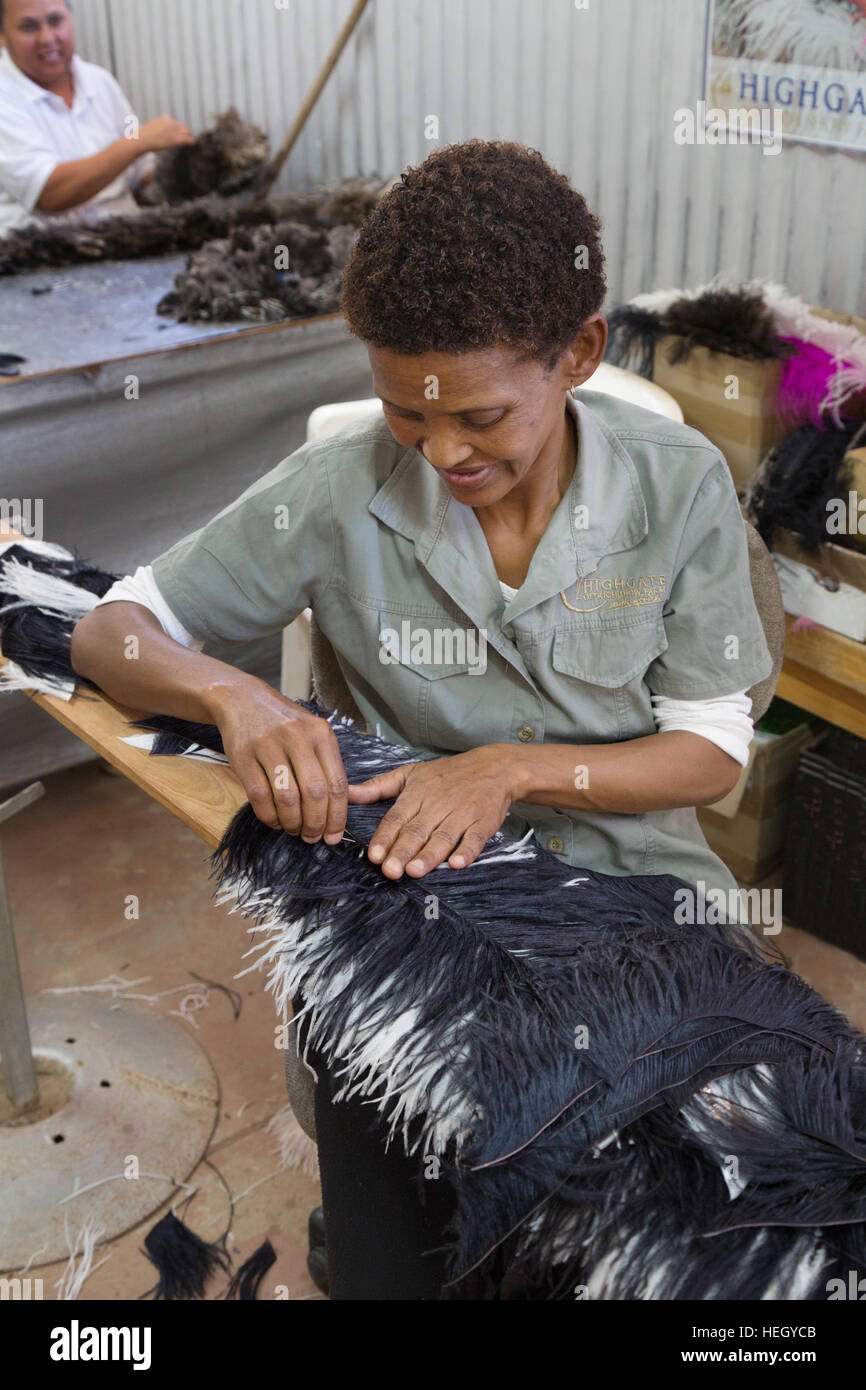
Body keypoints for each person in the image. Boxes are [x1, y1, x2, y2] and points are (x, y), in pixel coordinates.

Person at [70, 140, 773, 1298]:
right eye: (407, 412)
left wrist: (506, 771)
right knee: (398, 1209)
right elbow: (114, 630)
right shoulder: (340, 483)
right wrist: (232, 691)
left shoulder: (676, 484)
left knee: (662, 1215)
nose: (443, 452)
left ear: (579, 354)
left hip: (631, 889)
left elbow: (705, 749)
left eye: (482, 416)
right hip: (408, 903)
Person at [0, 0, 194, 232]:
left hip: (125, 235)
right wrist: (137, 142)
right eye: (29, 27)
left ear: (69, 19)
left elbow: (132, 134)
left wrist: (176, 168)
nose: (48, 38)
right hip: (45, 252)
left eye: (55, 21)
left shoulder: (101, 81)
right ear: (2, 35)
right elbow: (50, 193)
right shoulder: (5, 99)